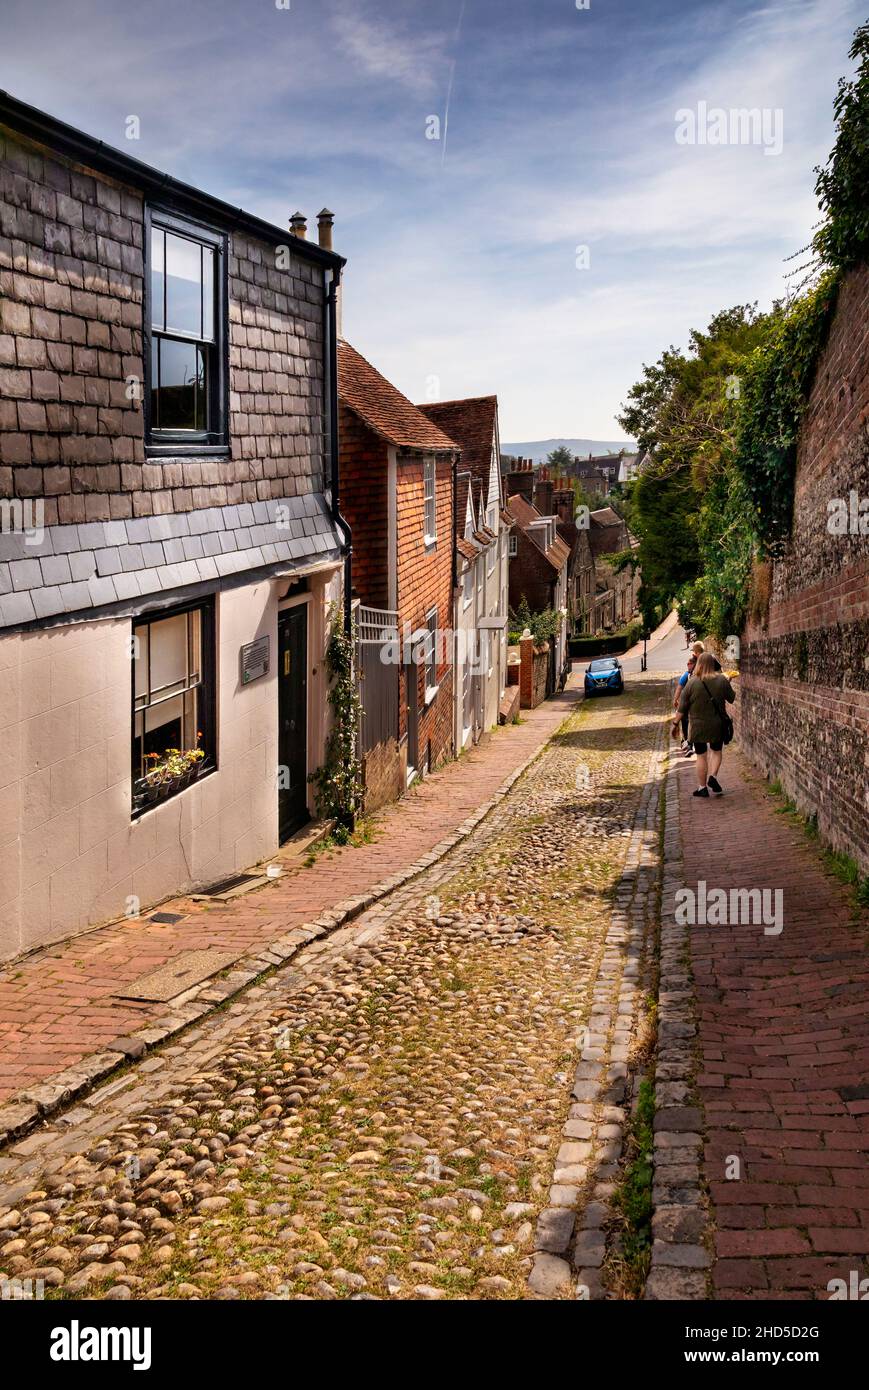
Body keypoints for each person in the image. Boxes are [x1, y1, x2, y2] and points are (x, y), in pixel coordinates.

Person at [678, 651, 736, 798]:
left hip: (698, 727)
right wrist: (727, 680)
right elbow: (732, 698)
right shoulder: (721, 680)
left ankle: (702, 788)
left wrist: (674, 723)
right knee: (716, 751)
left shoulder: (691, 682)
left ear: (699, 664)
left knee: (701, 756)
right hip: (717, 724)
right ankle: (713, 777)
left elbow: (682, 707)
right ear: (712, 664)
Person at [672, 653, 697, 753]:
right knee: (686, 722)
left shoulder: (690, 675)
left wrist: (675, 700)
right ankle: (687, 741)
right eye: (687, 664)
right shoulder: (687, 675)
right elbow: (679, 688)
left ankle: (688, 742)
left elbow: (679, 688)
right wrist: (675, 699)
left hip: (691, 704)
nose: (688, 665)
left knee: (688, 722)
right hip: (689, 704)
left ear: (694, 664)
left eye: (689, 663)